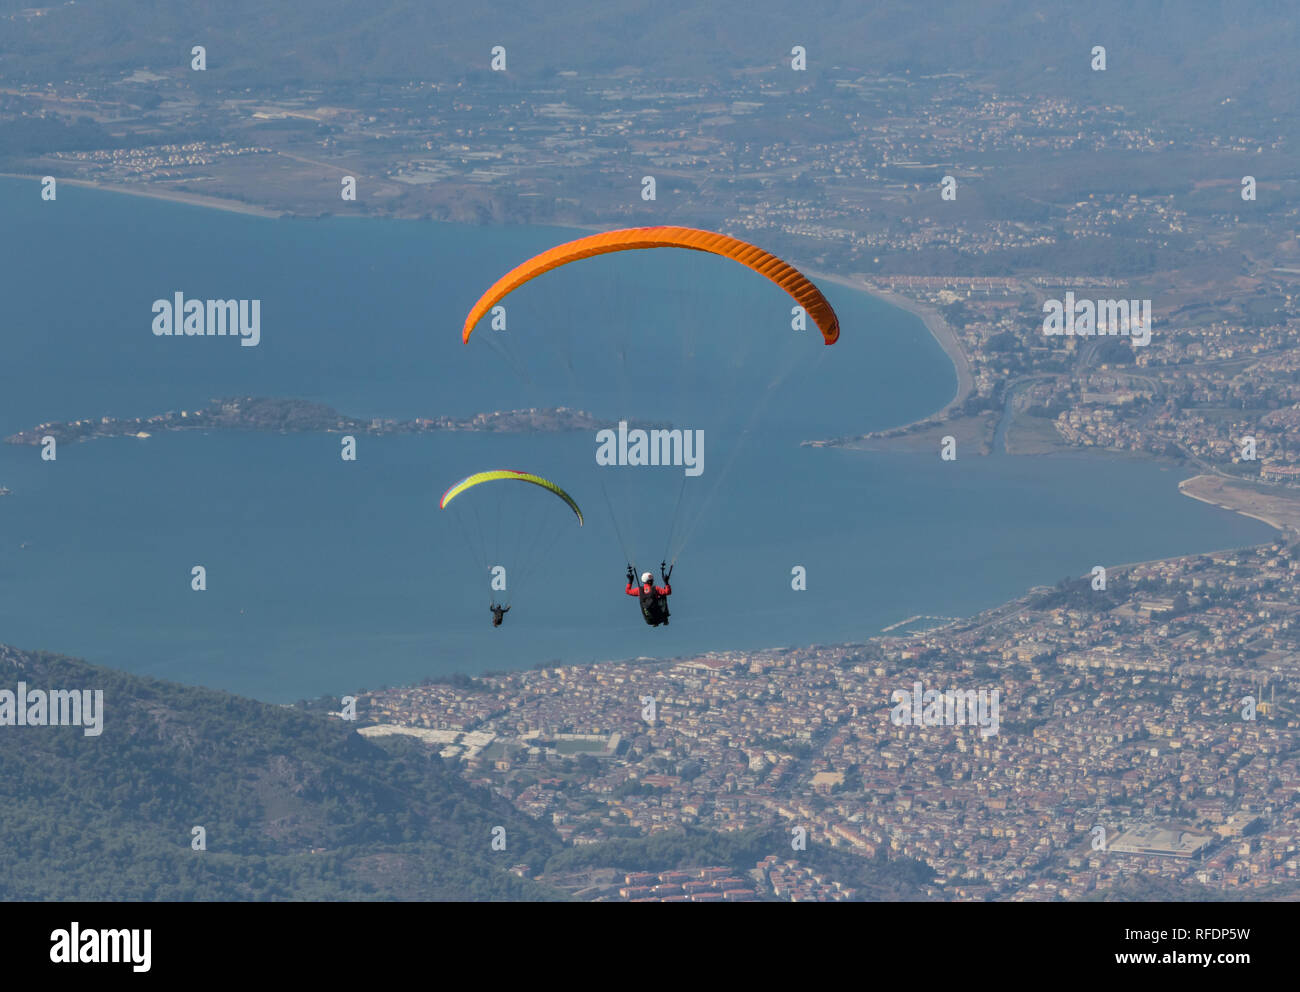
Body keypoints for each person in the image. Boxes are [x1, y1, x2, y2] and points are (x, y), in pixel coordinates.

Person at [626, 562, 672, 627]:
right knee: (662, 596)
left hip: (649, 620)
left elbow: (628, 591)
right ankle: (665, 619)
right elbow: (668, 592)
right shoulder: (655, 588)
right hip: (659, 617)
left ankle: (655, 623)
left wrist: (630, 581)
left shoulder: (639, 590)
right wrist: (666, 583)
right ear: (651, 581)